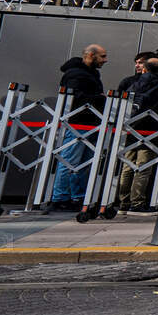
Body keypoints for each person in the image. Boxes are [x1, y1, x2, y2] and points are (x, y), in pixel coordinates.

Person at [51, 44, 108, 210]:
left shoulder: (91, 73)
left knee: (83, 162)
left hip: (90, 122)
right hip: (77, 122)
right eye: (102, 56)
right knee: (70, 161)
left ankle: (77, 197)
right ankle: (60, 198)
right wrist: (100, 98)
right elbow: (74, 97)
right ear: (91, 55)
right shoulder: (76, 74)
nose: (105, 60)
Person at [117, 56, 158, 214]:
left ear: (145, 69)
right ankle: (137, 203)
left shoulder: (133, 83)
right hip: (152, 129)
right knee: (143, 166)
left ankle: (123, 202)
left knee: (128, 165)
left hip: (132, 127)